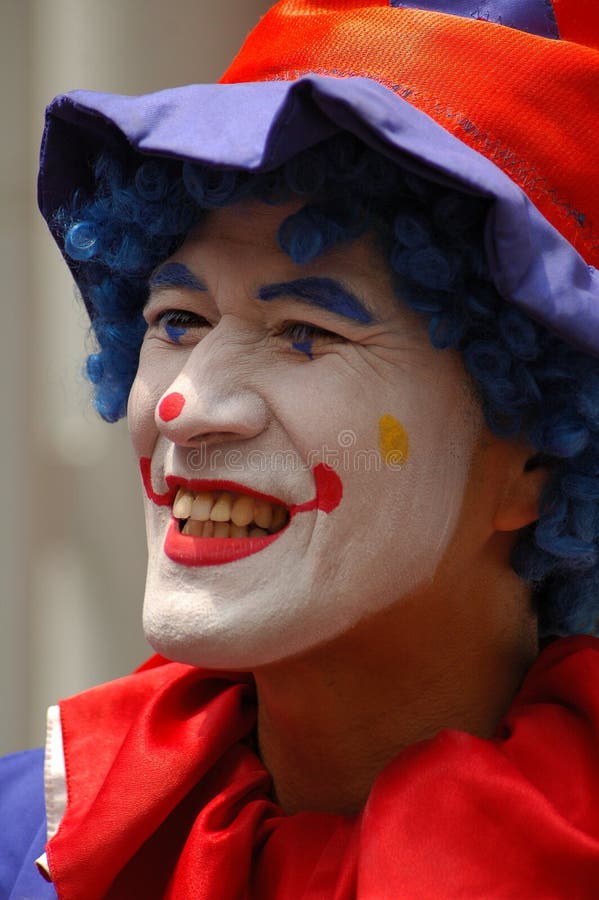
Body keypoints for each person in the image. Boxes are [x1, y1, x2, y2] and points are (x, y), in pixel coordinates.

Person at [3, 1, 599, 896]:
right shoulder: (31, 838)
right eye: (178, 320)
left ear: (537, 454)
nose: (185, 404)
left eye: (305, 333)